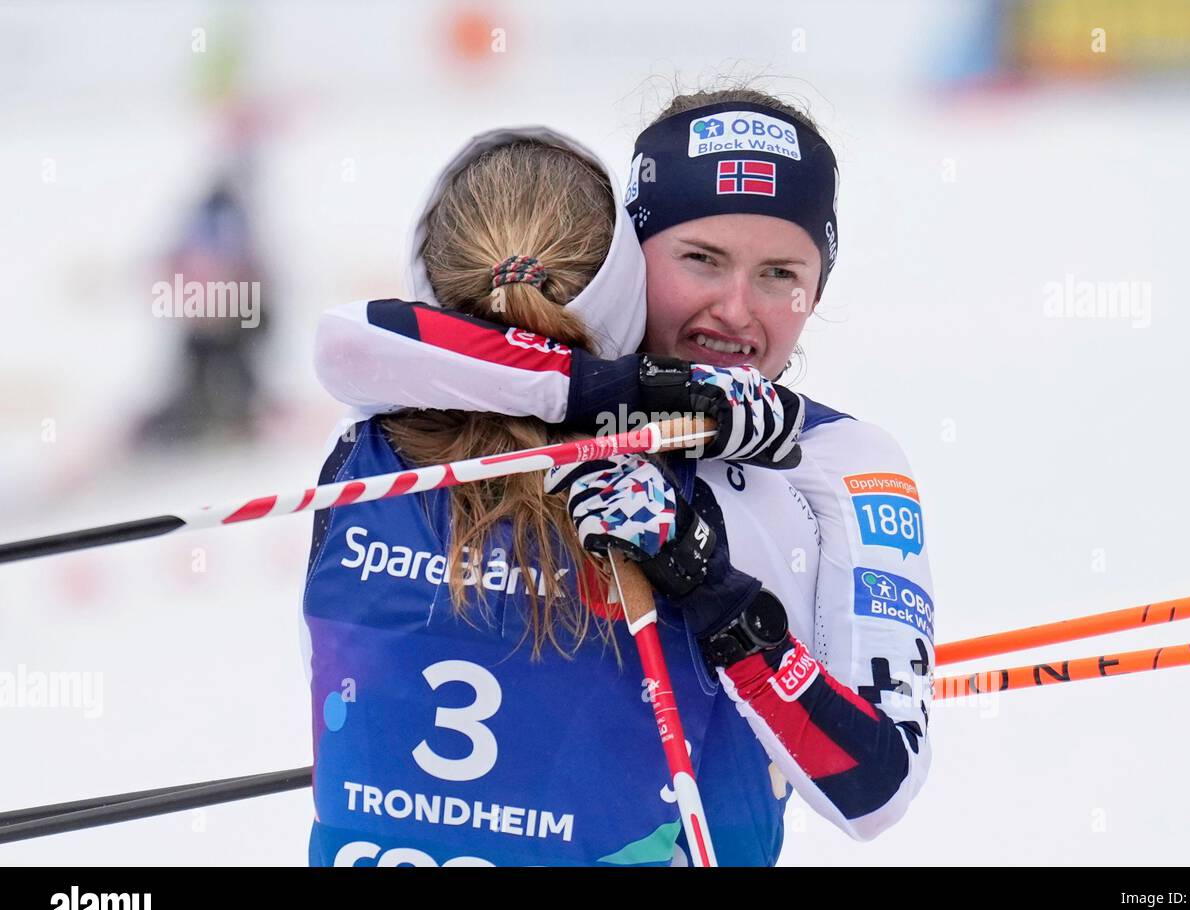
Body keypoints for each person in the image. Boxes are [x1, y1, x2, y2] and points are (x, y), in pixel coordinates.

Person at [310, 97, 934, 864]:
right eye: (701, 259)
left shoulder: (840, 460)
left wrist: (707, 583)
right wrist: (631, 387)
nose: (734, 310)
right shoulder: (443, 415)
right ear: (630, 261)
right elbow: (351, 340)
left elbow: (879, 787)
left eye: (781, 274)